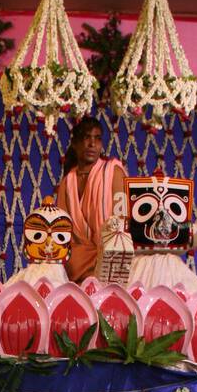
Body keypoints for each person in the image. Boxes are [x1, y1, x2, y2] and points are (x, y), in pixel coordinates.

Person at [55, 117, 127, 282]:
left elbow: (122, 221)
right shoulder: (68, 181)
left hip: (111, 257)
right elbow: (62, 230)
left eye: (97, 138)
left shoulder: (113, 172)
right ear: (75, 144)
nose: (92, 144)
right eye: (86, 137)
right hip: (77, 261)